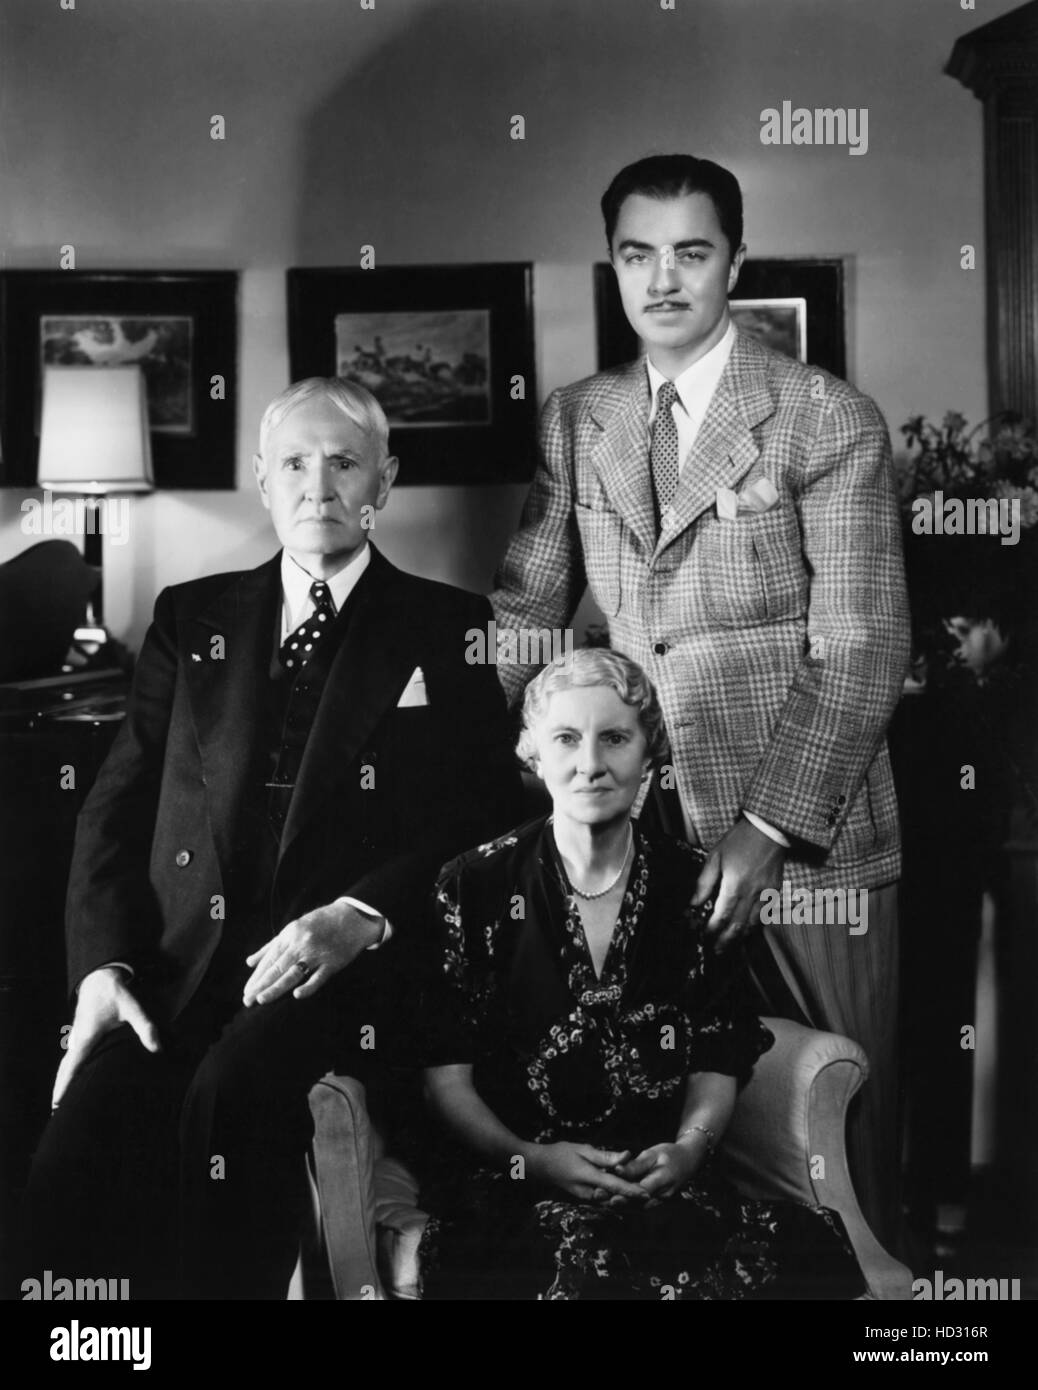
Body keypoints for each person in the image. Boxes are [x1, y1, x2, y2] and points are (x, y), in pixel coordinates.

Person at [20, 376, 523, 1300]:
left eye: (343, 463)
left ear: (385, 482)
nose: (317, 486)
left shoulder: (451, 627)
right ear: (262, 481)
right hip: (181, 965)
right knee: (77, 1142)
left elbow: (482, 819)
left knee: (230, 1097)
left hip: (340, 973)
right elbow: (115, 810)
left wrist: (364, 916)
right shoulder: (190, 616)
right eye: (294, 462)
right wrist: (101, 970)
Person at [490, 155, 910, 1244]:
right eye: (639, 254)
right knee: (672, 1146)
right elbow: (526, 611)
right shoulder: (579, 418)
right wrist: (557, 757)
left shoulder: (825, 416)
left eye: (691, 251)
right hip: (638, 841)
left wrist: (766, 831)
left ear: (733, 260)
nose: (663, 279)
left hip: (809, 846)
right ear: (614, 265)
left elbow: (863, 649)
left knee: (838, 1145)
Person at [409, 650, 863, 1300]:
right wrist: (530, 1158)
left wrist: (688, 1150)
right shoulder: (471, 888)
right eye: (566, 739)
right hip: (513, 1186)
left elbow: (716, 1055)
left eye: (615, 738)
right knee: (586, 1264)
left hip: (664, 1188)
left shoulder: (696, 884)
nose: (590, 763)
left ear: (649, 754)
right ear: (532, 753)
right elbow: (444, 1081)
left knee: (810, 1256)